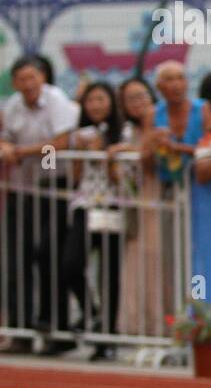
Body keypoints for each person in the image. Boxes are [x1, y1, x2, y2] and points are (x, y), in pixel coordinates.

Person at [0, 56, 80, 353]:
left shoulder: (57, 100)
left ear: (42, 78)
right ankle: (20, 330)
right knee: (16, 260)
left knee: (49, 255)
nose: (28, 84)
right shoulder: (13, 106)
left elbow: (60, 143)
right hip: (22, 189)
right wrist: (8, 148)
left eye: (32, 77)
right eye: (21, 79)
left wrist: (23, 152)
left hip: (54, 187)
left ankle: (55, 327)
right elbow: (5, 140)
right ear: (15, 82)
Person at [60, 82, 125, 360]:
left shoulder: (125, 133)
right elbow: (74, 178)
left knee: (110, 273)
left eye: (101, 99)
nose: (96, 105)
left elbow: (123, 179)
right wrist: (82, 152)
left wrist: (108, 156)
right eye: (90, 101)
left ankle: (106, 340)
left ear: (111, 102)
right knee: (70, 264)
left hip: (113, 205)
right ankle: (92, 313)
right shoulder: (79, 134)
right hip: (84, 205)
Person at [113, 78, 171, 341]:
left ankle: (168, 325)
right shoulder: (124, 131)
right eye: (131, 98)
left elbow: (151, 161)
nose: (139, 103)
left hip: (162, 198)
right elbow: (117, 174)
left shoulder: (164, 126)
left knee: (163, 261)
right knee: (137, 264)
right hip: (134, 203)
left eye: (142, 96)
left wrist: (136, 149)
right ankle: (140, 327)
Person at [152, 61, 205, 186]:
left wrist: (174, 147)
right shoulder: (152, 114)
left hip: (200, 182)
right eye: (169, 79)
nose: (176, 85)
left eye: (181, 78)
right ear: (158, 87)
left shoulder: (204, 109)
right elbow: (146, 154)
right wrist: (152, 143)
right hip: (166, 184)